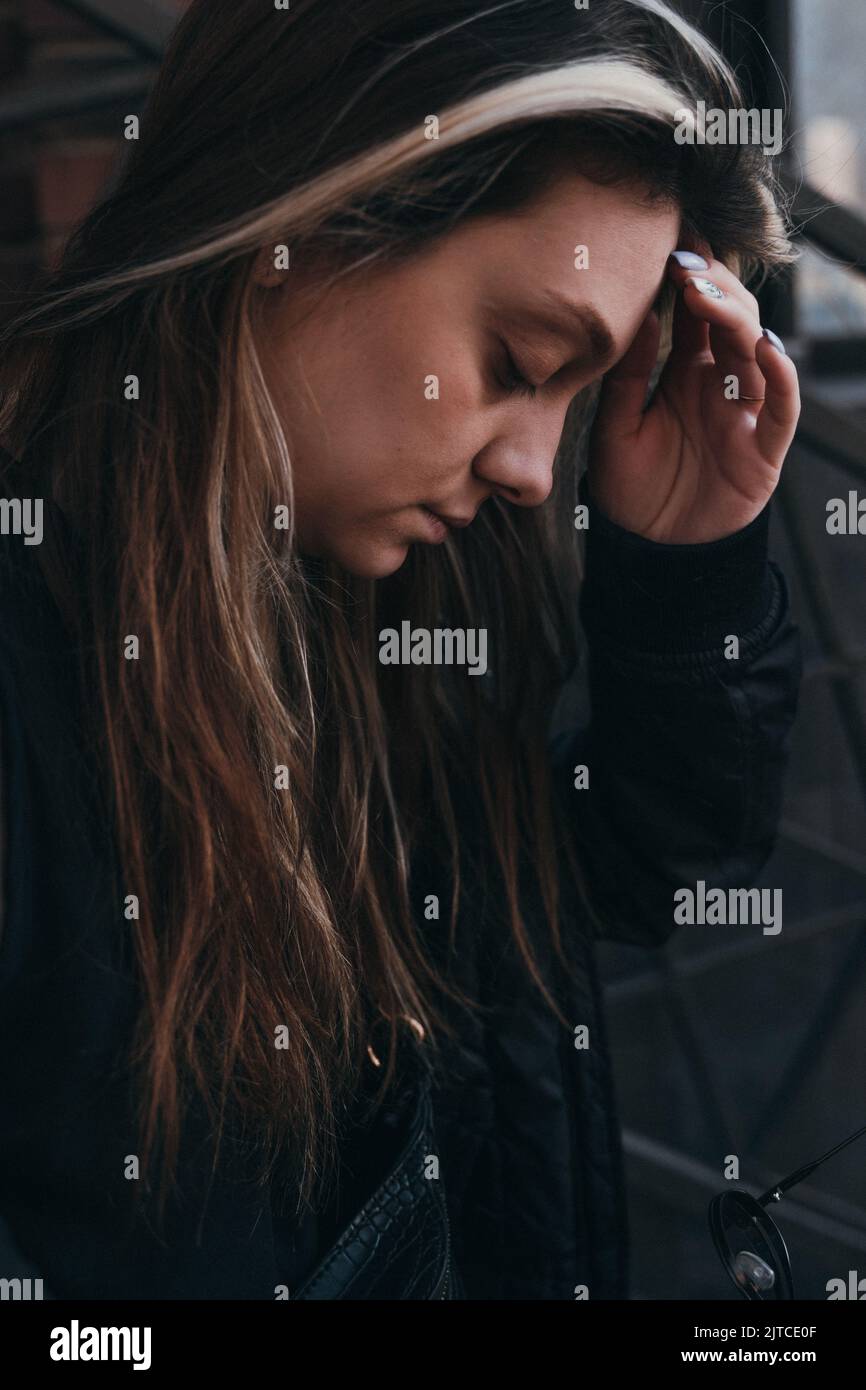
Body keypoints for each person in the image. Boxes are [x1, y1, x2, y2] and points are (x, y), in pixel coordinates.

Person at [0, 0, 802, 1300]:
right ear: (299, 221)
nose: (534, 470)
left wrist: (688, 559)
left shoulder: (384, 617)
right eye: (520, 360)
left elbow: (629, 873)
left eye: (575, 392)